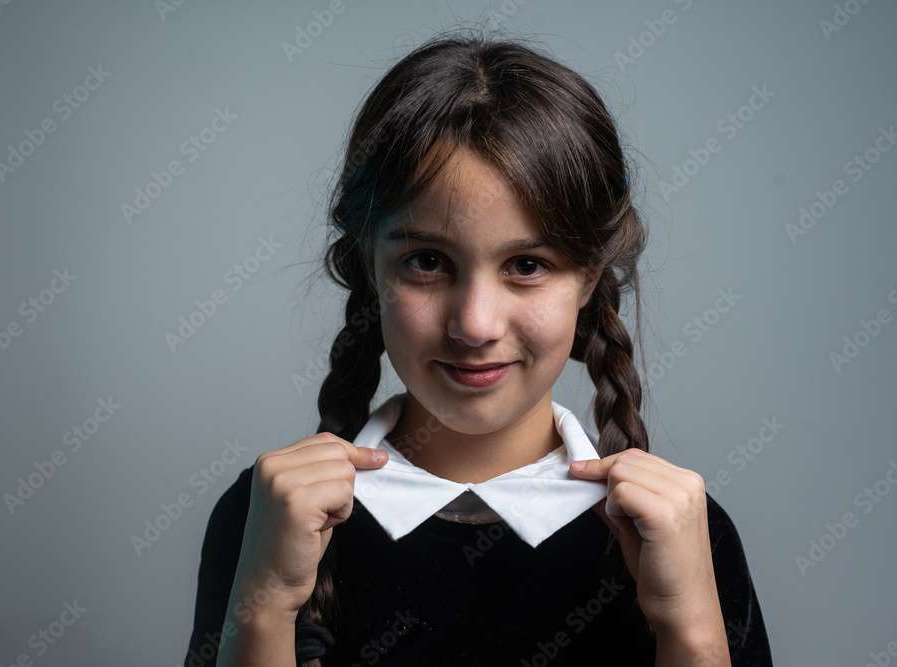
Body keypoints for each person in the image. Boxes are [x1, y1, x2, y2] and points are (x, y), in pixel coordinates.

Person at [184, 31, 773, 667]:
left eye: (526, 264)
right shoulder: (267, 514)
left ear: (591, 277)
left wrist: (693, 633)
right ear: (367, 261)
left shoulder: (684, 533)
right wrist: (267, 606)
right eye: (428, 261)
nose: (475, 324)